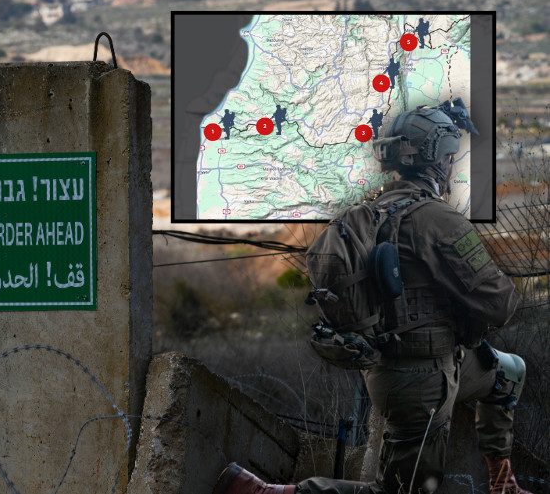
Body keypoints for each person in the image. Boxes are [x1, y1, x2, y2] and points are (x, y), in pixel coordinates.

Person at [212, 105, 531, 494]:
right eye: (450, 156)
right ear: (438, 159)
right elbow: (501, 303)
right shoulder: (437, 219)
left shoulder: (371, 211)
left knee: (507, 373)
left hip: (404, 366)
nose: (452, 164)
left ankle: (503, 485)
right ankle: (266, 493)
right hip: (421, 382)